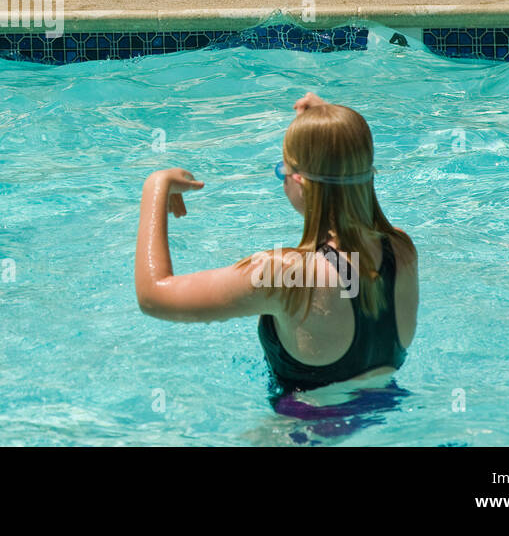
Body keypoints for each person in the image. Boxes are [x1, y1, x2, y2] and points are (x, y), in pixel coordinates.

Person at [134, 92, 418, 397]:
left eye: (282, 171)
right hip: (387, 409)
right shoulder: (401, 249)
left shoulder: (285, 276)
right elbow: (349, 258)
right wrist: (332, 128)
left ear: (299, 182)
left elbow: (154, 296)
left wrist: (156, 186)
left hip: (305, 424)